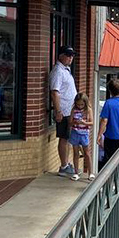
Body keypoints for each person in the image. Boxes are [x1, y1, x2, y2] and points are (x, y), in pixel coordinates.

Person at [49, 46, 77, 177]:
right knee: (64, 138)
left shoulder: (66, 70)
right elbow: (55, 92)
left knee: (67, 137)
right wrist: (58, 110)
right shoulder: (58, 71)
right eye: (68, 55)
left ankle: (66, 163)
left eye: (72, 55)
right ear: (60, 55)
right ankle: (64, 166)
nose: (70, 58)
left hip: (69, 111)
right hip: (64, 111)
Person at [69, 92, 94, 181]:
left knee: (87, 153)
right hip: (75, 132)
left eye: (82, 104)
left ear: (85, 103)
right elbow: (70, 122)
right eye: (78, 104)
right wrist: (74, 122)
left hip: (84, 133)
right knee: (76, 153)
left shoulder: (88, 110)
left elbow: (92, 122)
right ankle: (75, 172)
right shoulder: (74, 110)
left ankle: (90, 173)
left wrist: (84, 123)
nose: (80, 106)